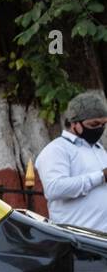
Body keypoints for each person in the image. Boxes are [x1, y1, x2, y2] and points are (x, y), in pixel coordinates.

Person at [34, 90, 107, 229]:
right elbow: (54, 189)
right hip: (77, 241)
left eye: (103, 124)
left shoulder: (99, 149)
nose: (100, 129)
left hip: (101, 241)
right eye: (94, 124)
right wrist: (101, 176)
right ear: (74, 123)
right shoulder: (57, 149)